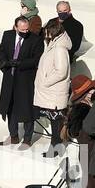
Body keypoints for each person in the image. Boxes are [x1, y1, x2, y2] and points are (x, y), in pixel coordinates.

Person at [0, 15, 41, 148]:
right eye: (22, 30)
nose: (25, 32)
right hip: (9, 77)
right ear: (16, 27)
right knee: (10, 107)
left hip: (25, 79)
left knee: (27, 108)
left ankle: (27, 139)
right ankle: (14, 136)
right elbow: (1, 51)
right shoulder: (8, 35)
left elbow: (36, 59)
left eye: (27, 29)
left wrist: (20, 63)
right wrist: (5, 61)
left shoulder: (35, 39)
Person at [34, 17, 73, 157]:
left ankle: (55, 149)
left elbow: (61, 71)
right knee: (55, 122)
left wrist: (45, 82)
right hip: (52, 93)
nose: (45, 35)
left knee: (56, 123)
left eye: (47, 32)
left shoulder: (59, 48)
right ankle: (56, 148)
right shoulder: (54, 45)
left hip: (54, 92)